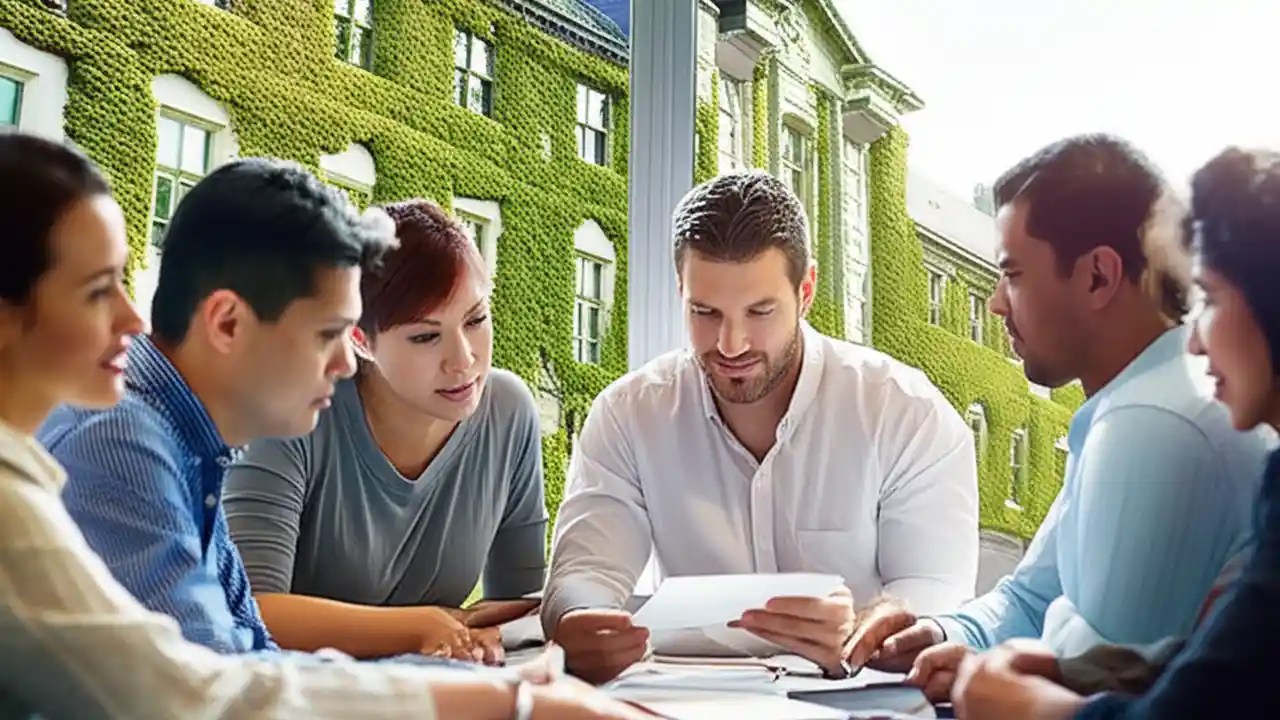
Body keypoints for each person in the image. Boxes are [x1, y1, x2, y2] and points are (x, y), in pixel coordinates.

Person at [0, 132, 648, 719]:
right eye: (328, 334)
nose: (345, 364)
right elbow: (207, 699)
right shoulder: (117, 440)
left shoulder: (183, 439)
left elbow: (248, 662)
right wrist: (505, 701)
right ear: (227, 323)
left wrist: (486, 687)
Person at [846, 134, 1273, 702]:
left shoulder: (1153, 425)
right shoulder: (1126, 408)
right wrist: (944, 634)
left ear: (1097, 276)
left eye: (1013, 274)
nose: (996, 303)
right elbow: (1033, 599)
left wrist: (1010, 675)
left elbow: (1103, 687)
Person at [542, 170, 981, 684]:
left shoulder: (906, 415)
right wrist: (577, 619)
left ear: (806, 290)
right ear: (680, 290)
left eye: (760, 311)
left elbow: (937, 599)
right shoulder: (629, 415)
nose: (731, 344)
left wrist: (868, 629)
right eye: (705, 312)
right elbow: (584, 573)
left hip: (856, 703)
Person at [224, 199, 547, 665]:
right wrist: (423, 626)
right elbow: (249, 612)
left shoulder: (508, 412)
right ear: (360, 339)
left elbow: (520, 611)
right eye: (425, 336)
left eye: (476, 319)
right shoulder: (288, 409)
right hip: (296, 692)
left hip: (435, 690)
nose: (464, 360)